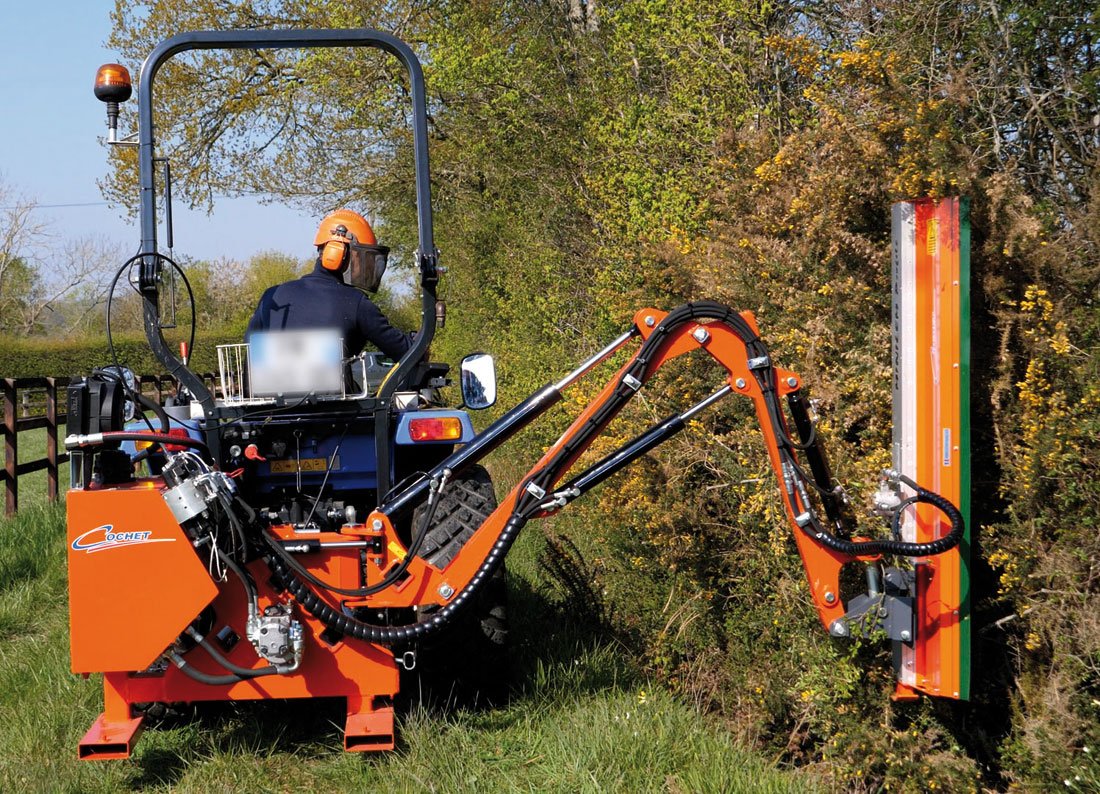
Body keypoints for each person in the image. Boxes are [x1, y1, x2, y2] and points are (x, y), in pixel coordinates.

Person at [247, 209, 413, 361]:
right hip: (334, 394)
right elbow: (406, 352)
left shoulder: (271, 296)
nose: (364, 266)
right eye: (361, 256)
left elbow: (250, 357)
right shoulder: (356, 303)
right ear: (338, 251)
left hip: (272, 393)